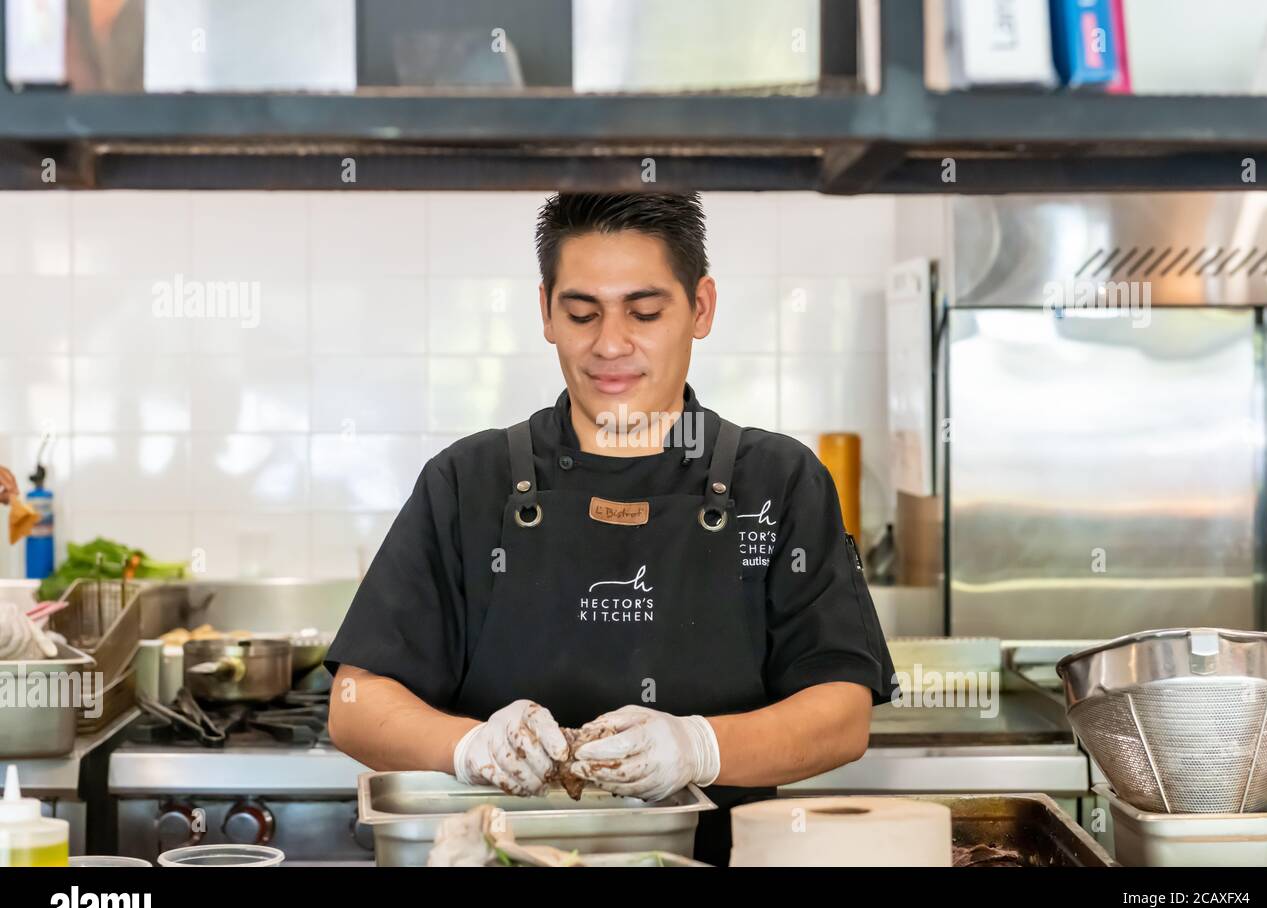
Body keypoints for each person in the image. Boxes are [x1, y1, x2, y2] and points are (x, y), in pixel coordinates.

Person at [325, 192, 895, 865]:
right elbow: (357, 703)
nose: (610, 344)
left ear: (701, 308)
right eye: (582, 312)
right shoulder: (466, 482)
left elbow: (841, 712)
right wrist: (466, 746)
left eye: (645, 312)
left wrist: (699, 747)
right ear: (546, 312)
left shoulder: (777, 482)